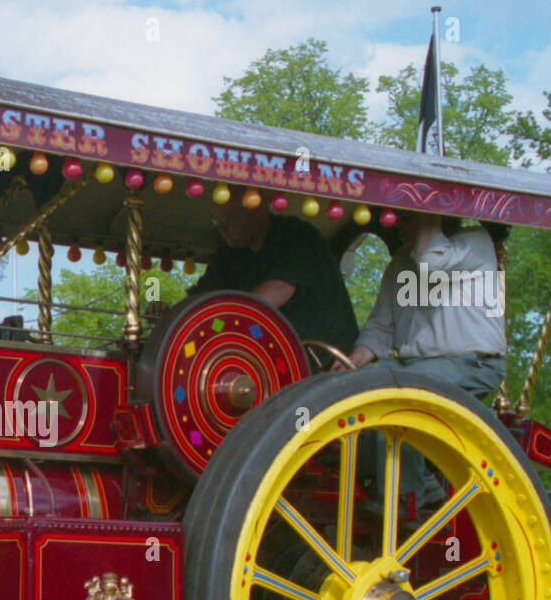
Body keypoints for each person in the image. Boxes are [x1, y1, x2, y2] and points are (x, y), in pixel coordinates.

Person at [335, 212, 507, 507]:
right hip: (416, 367)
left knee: (402, 393)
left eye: (408, 217)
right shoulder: (401, 263)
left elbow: (432, 264)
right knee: (357, 390)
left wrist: (428, 215)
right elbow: (380, 328)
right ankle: (394, 487)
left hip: (472, 364)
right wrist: (351, 363)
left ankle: (407, 497)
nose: (397, 225)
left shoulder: (475, 242)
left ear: (435, 219)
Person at [192, 194, 360, 355]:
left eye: (227, 218)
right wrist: (173, 313)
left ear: (256, 211)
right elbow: (199, 298)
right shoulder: (230, 253)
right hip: (280, 358)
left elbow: (269, 298)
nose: (221, 227)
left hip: (327, 363)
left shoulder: (295, 235)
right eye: (217, 220)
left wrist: (215, 325)